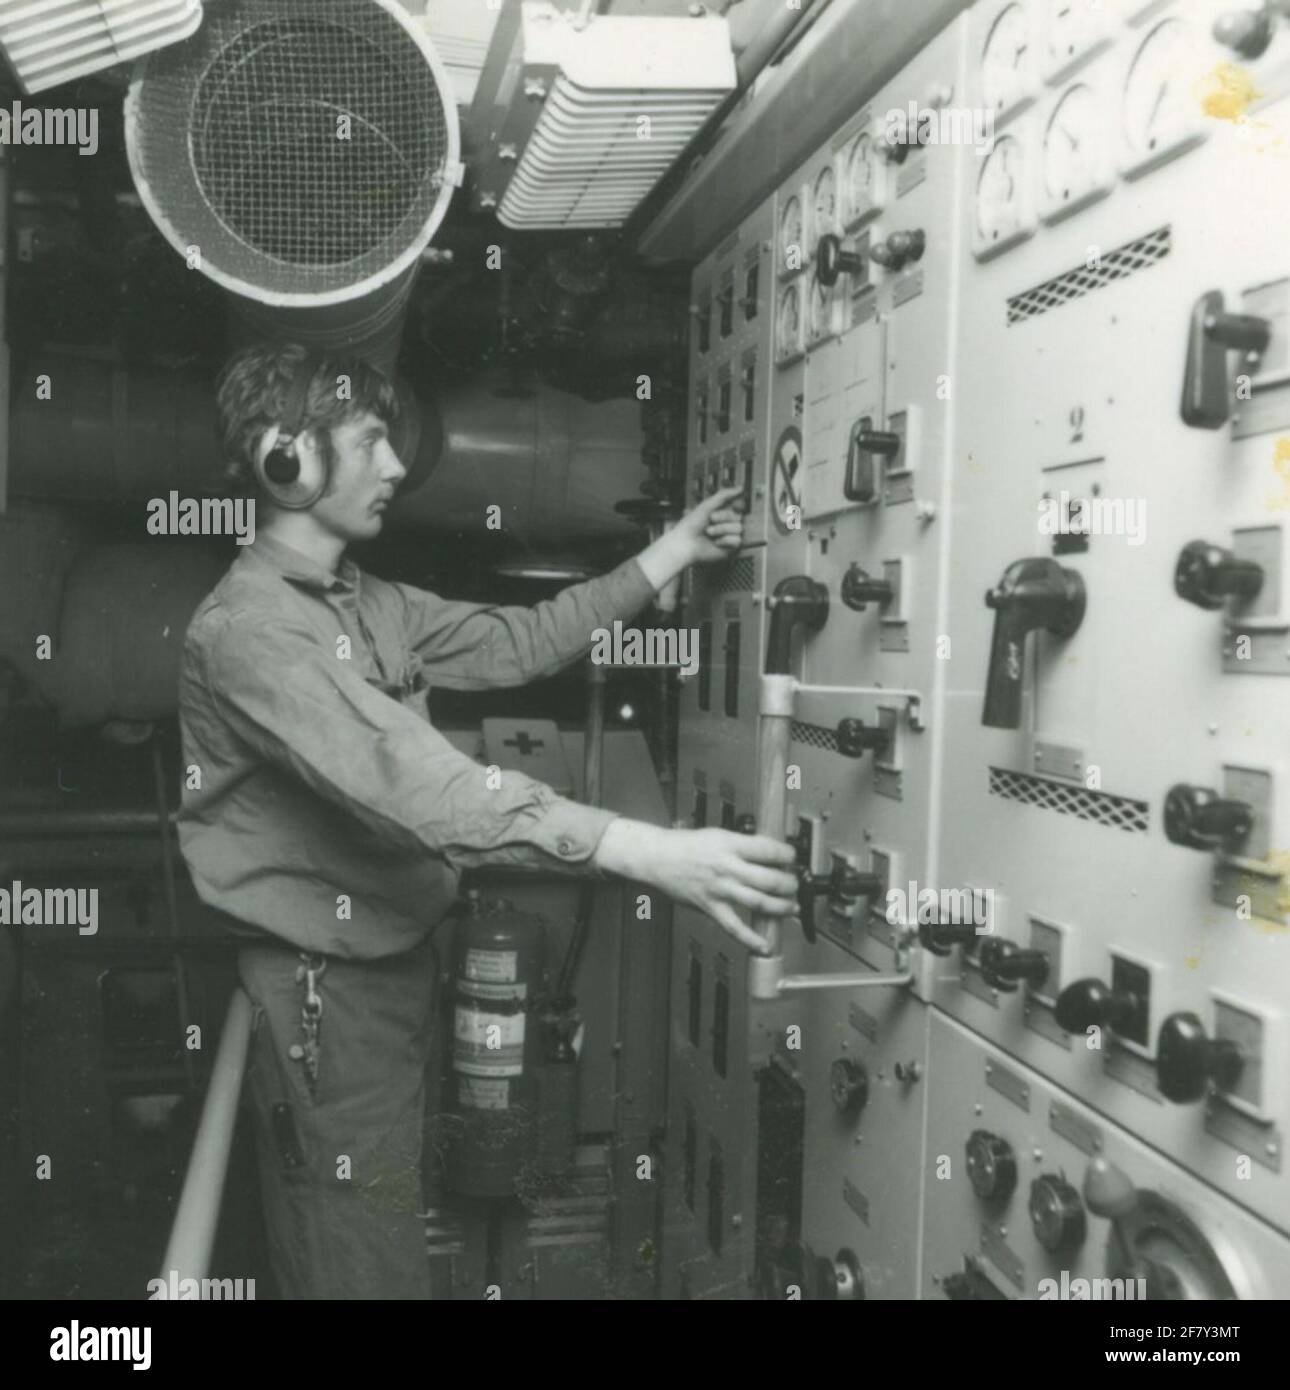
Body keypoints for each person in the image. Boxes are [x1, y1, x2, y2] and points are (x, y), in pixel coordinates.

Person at [176, 342, 798, 1299]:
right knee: (359, 1261)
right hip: (326, 1003)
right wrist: (647, 850)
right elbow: (418, 786)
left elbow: (519, 642)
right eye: (373, 441)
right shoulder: (253, 634)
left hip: (381, 977)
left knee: (375, 1234)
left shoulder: (365, 603)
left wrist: (667, 553)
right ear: (286, 461)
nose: (395, 467)